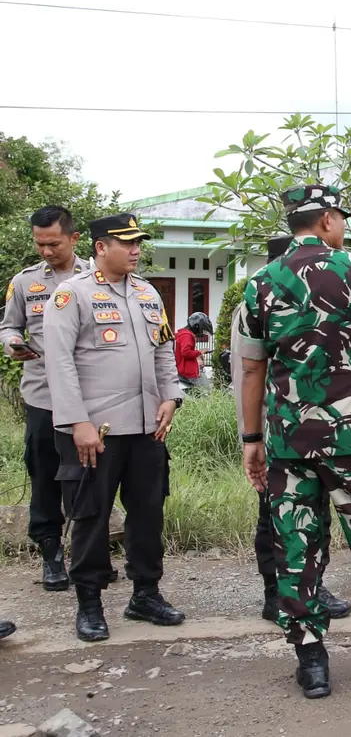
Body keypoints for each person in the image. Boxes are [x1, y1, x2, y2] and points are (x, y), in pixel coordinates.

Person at [239, 185, 351, 699]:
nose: (342, 225)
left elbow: (251, 368)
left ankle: (312, 661)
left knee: (296, 548)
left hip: (289, 442)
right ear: (324, 221)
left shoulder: (260, 283)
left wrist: (252, 437)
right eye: (339, 217)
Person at [43, 213, 185, 642]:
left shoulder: (147, 293)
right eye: (127, 243)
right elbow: (59, 362)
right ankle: (89, 601)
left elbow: (163, 351)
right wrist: (77, 422)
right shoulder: (73, 295)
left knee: (148, 513)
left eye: (139, 241)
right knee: (90, 515)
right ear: (102, 248)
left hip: (147, 429)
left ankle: (145, 594)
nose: (137, 249)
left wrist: (171, 397)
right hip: (95, 432)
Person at [230, 234, 351, 624]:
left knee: (313, 516)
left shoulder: (304, 303)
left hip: (307, 429)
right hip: (273, 430)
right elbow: (246, 376)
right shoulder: (255, 303)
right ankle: (275, 592)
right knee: (275, 517)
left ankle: (311, 587)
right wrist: (254, 436)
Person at [0, 206, 87, 592]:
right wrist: (13, 344)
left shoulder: (98, 277)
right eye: (40, 245)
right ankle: (51, 553)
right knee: (45, 476)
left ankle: (88, 552)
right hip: (43, 397)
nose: (46, 252)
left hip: (91, 398)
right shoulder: (24, 282)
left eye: (53, 243)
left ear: (74, 238)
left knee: (89, 477)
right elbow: (9, 326)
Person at [175, 312, 213, 392]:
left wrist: (197, 354)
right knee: (207, 392)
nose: (201, 334)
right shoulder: (187, 335)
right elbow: (186, 352)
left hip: (184, 371)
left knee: (196, 393)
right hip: (189, 372)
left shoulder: (184, 334)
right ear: (197, 326)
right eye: (202, 330)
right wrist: (199, 352)